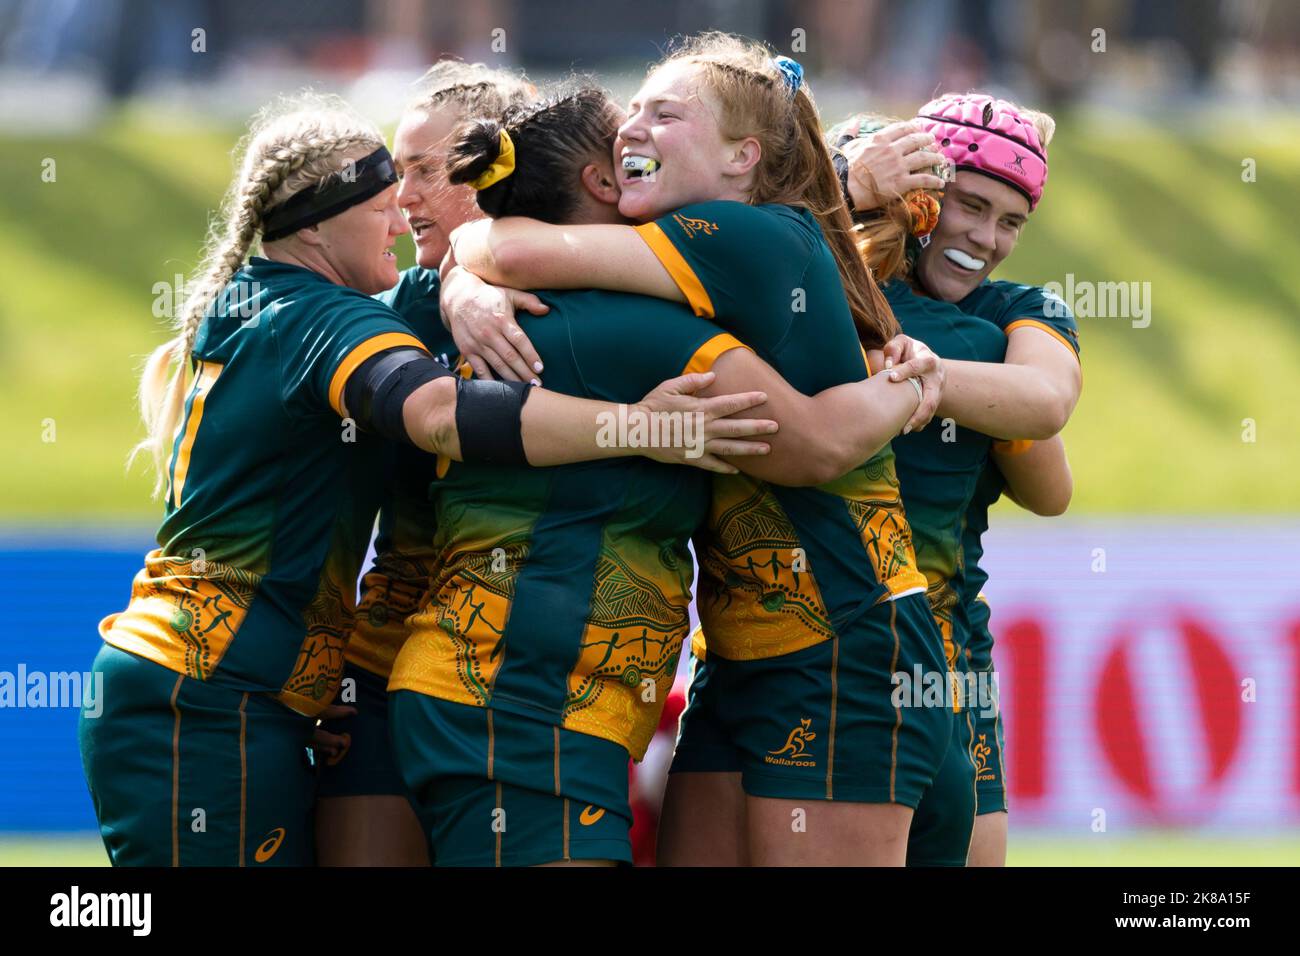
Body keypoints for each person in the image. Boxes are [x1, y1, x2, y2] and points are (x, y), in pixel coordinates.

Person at [78, 91, 777, 867]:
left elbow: (454, 270)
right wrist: (646, 427)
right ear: (313, 224)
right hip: (205, 696)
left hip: (228, 694)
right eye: (382, 198)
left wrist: (467, 283)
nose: (399, 215)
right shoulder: (318, 317)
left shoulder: (263, 296)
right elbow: (442, 415)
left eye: (418, 179)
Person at [444, 34, 952, 866]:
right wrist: (463, 283)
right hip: (739, 652)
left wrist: (464, 266)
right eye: (633, 109)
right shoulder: (705, 246)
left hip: (845, 641)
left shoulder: (747, 235)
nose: (631, 129)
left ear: (742, 157)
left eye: (664, 114)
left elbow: (517, 249)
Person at [841, 94, 1082, 865]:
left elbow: (1049, 452)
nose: (987, 238)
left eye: (1011, 221)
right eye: (970, 206)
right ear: (919, 193)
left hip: (950, 664)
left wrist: (935, 374)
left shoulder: (1014, 315)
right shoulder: (833, 287)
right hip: (801, 647)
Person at [313, 59, 536, 868]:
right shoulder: (398, 307)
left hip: (525, 686)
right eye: (393, 169)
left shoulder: (598, 289)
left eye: (422, 171)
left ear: (497, 165)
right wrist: (315, 673)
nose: (399, 196)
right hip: (379, 668)